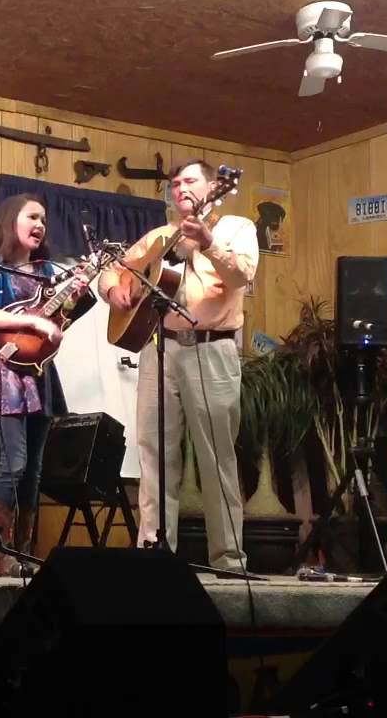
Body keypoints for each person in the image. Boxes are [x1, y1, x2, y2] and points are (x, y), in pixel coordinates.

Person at [97, 159, 258, 573]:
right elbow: (114, 271)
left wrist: (207, 242)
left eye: (189, 180)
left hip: (211, 348)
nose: (180, 188)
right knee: (153, 454)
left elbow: (242, 276)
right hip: (158, 348)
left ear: (212, 187)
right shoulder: (159, 237)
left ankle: (228, 560)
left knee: (217, 456)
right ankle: (154, 556)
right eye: (174, 184)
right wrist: (114, 288)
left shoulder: (237, 227)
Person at [0, 194, 88, 577]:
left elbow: (67, 315)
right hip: (6, 370)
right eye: (32, 216)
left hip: (40, 373)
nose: (40, 224)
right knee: (14, 463)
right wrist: (36, 324)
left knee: (34, 469)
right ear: (10, 221)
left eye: (44, 218)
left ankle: (24, 552)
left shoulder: (47, 271)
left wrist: (80, 290)